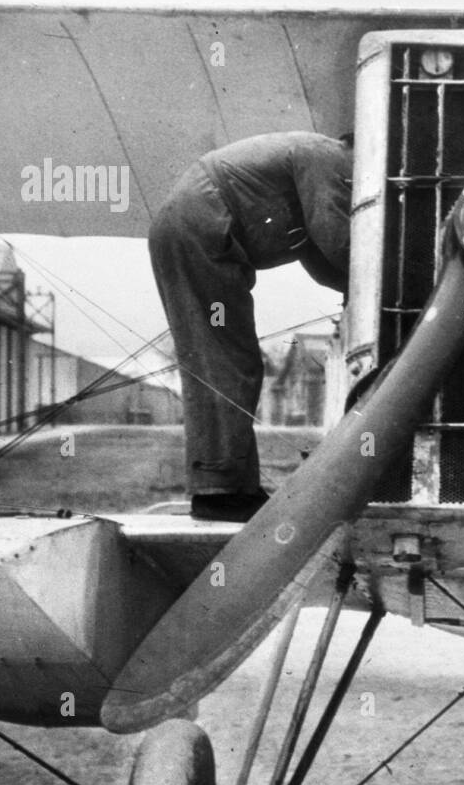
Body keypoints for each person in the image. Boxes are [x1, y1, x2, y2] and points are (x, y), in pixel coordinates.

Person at [148, 131, 353, 522]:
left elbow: (318, 255)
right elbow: (334, 237)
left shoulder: (312, 158)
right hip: (203, 229)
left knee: (226, 358)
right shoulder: (330, 157)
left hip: (195, 228)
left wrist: (355, 286)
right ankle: (220, 492)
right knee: (225, 360)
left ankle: (230, 486)